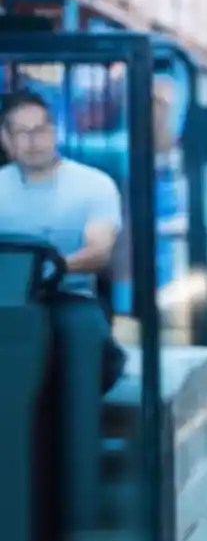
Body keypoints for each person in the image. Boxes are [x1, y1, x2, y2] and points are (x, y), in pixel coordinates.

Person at [0, 91, 125, 395]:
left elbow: (99, 251)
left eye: (41, 130)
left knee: (77, 332)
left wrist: (48, 270)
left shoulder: (93, 185)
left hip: (69, 297)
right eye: (22, 132)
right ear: (5, 138)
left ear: (54, 131)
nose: (34, 140)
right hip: (7, 304)